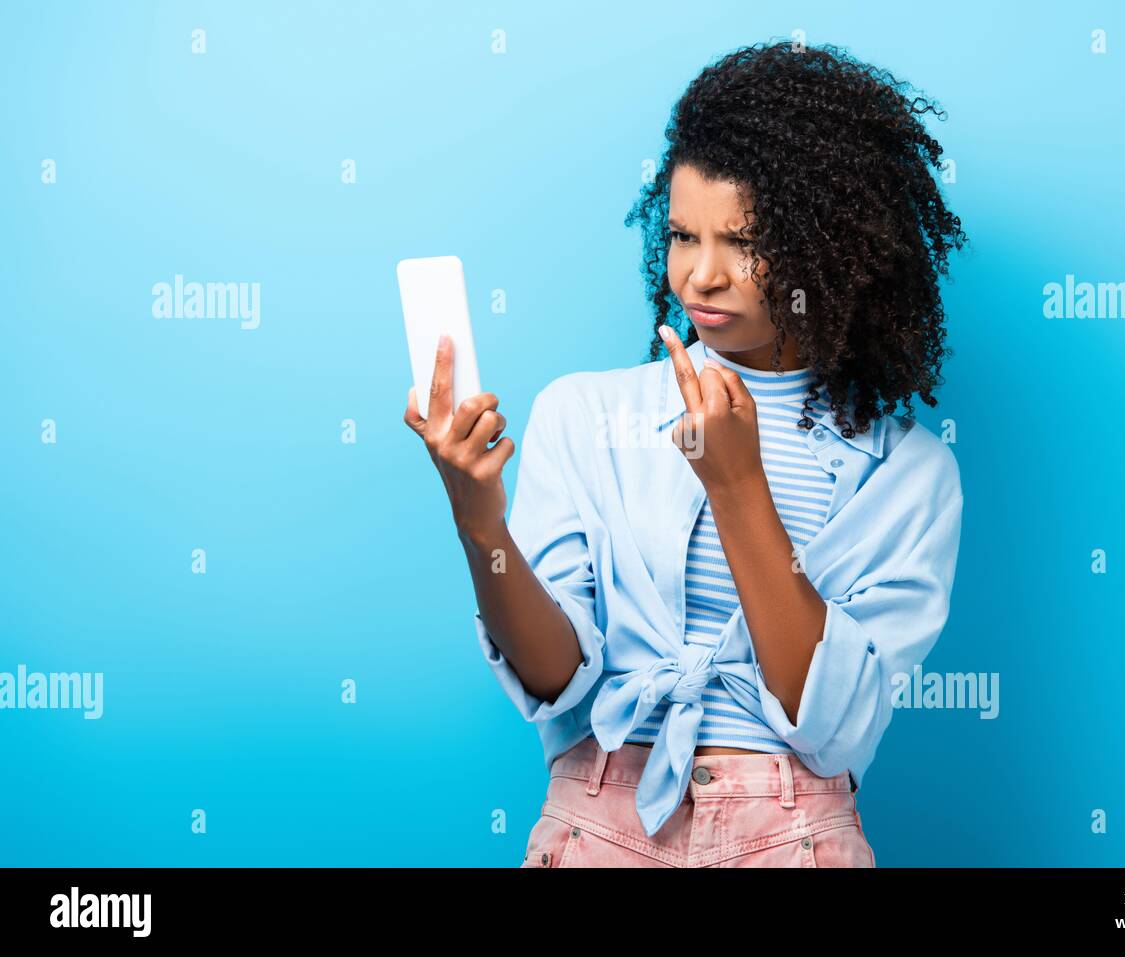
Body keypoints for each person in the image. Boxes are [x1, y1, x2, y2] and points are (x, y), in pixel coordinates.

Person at [404, 40, 968, 867]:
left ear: (831, 248)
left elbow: (835, 724)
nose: (699, 276)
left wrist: (737, 483)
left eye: (741, 242)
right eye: (681, 235)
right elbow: (557, 677)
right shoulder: (586, 413)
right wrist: (478, 522)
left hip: (792, 835)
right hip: (599, 820)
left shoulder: (909, 476)